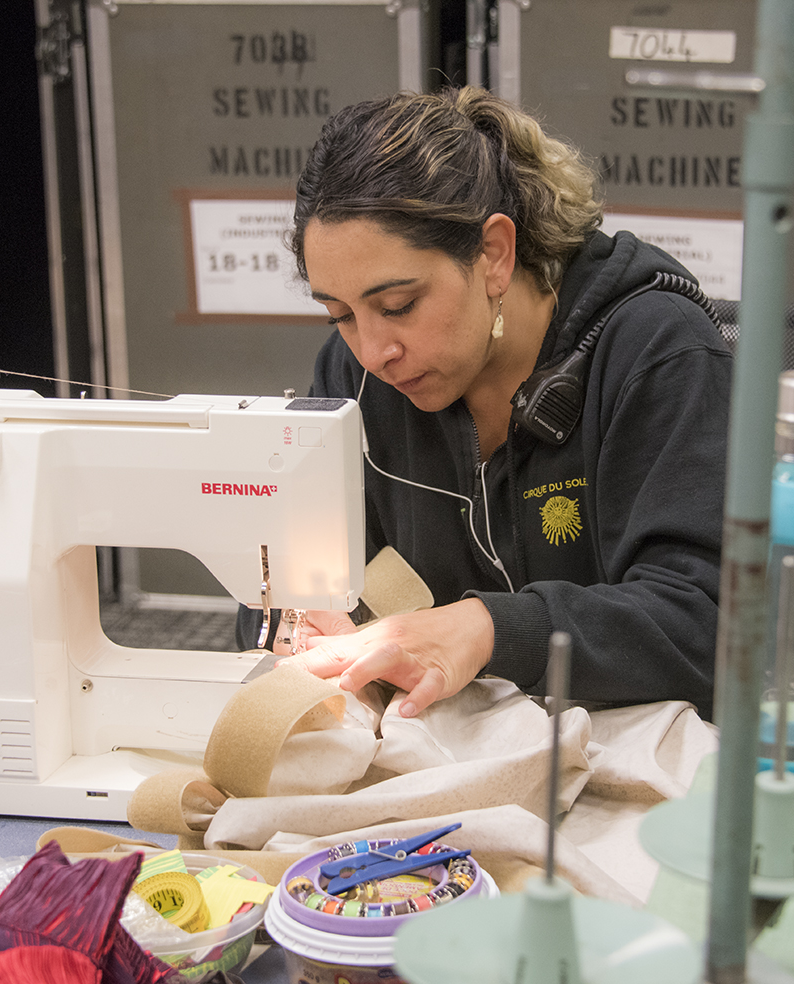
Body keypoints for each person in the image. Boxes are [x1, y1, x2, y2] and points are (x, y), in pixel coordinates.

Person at [236, 86, 731, 721]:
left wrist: (485, 629)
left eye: (398, 306)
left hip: (632, 755)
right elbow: (298, 568)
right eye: (341, 316)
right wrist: (292, 613)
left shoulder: (653, 353)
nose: (372, 352)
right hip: (451, 746)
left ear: (494, 254)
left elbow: (703, 624)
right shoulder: (355, 378)